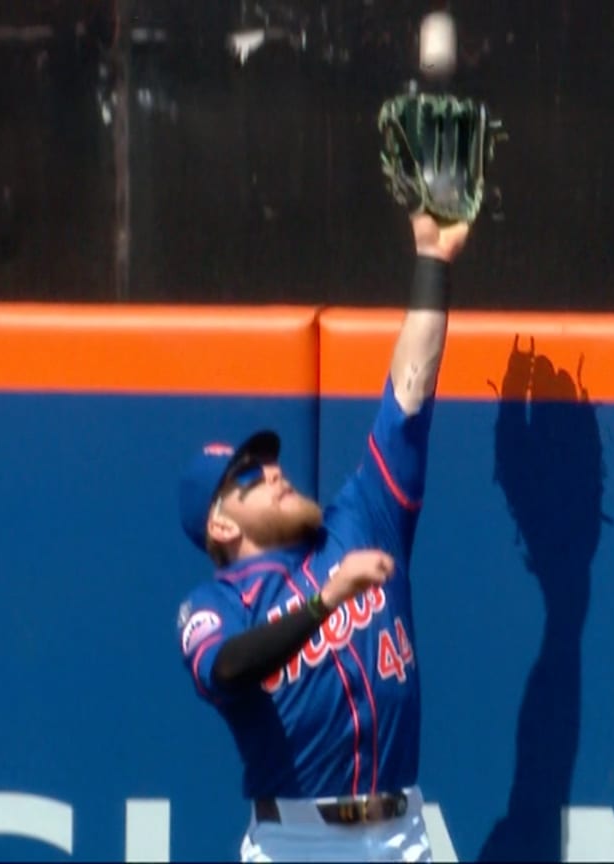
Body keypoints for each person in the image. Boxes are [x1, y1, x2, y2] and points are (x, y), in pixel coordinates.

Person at [174, 211, 470, 863]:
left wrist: (433, 262)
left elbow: (410, 391)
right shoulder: (212, 605)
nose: (274, 472)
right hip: (295, 843)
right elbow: (229, 667)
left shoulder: (361, 519)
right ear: (221, 523)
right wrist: (326, 599)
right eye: (248, 476)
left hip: (403, 835)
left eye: (269, 460)